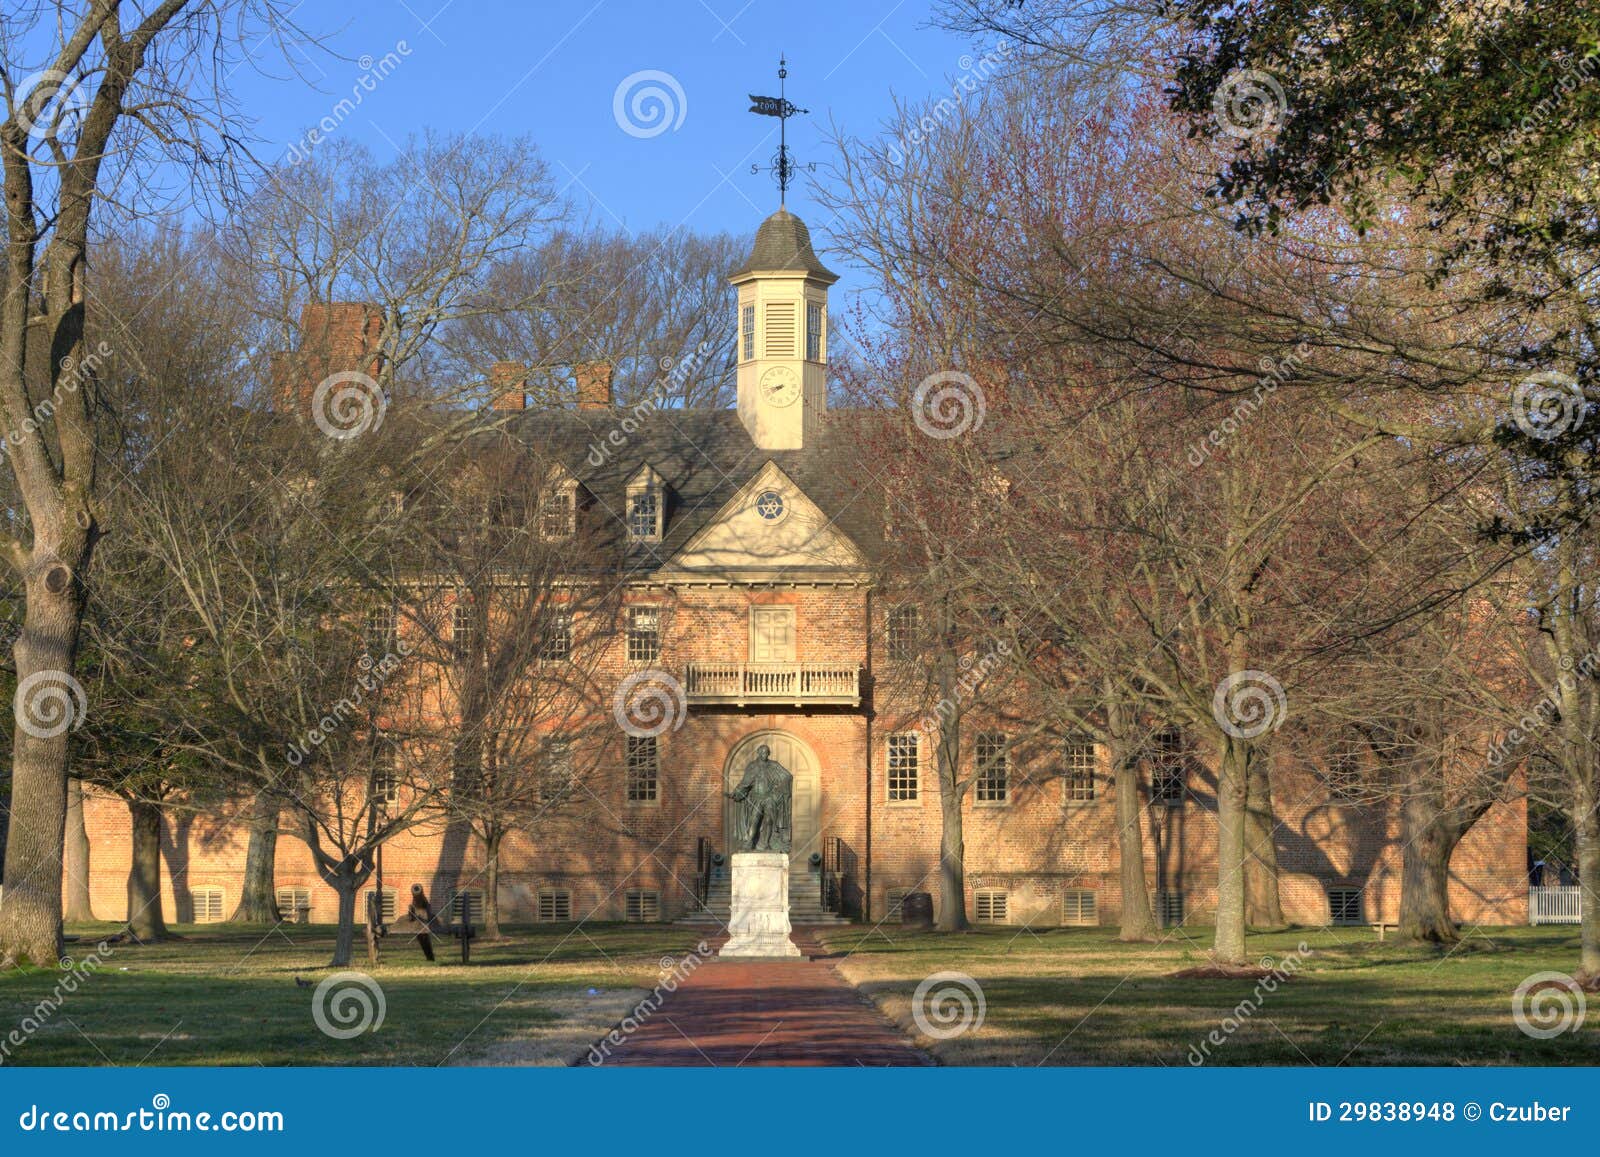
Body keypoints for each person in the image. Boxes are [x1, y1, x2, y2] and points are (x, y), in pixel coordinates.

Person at [407, 883, 435, 962]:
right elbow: (411, 915)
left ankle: (430, 957)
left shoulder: (425, 903)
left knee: (424, 937)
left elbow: (427, 909)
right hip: (417, 922)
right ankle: (429, 957)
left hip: (424, 921)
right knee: (421, 938)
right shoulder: (414, 904)